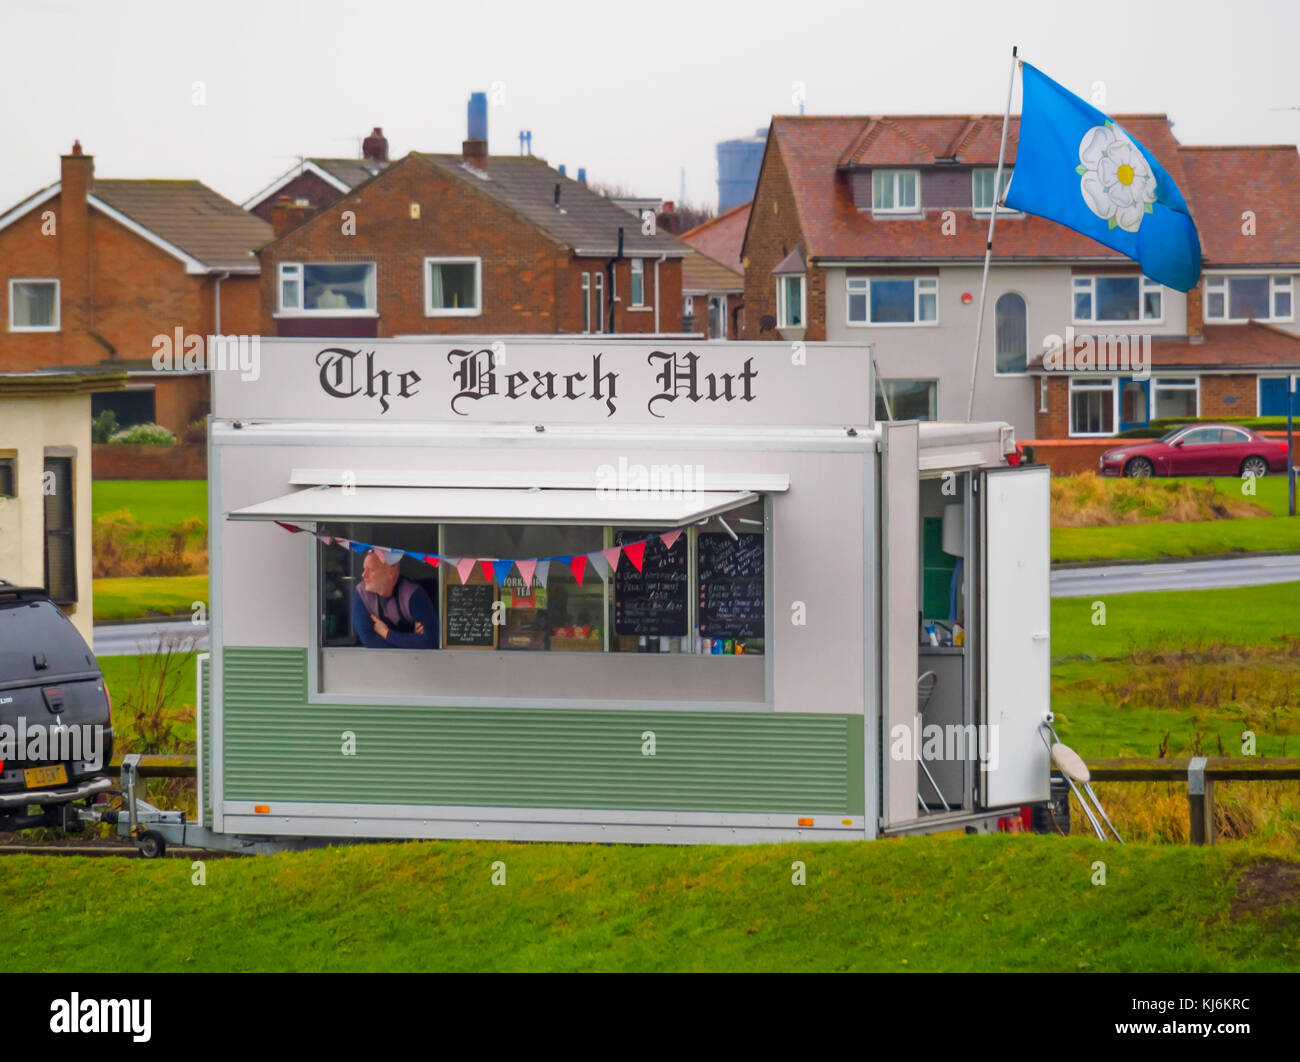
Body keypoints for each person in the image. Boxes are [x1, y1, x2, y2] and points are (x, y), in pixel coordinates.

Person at [352, 550, 438, 649]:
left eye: (371, 570)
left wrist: (386, 633)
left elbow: (431, 642)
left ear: (391, 572)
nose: (363, 575)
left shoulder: (412, 594)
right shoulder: (362, 593)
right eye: (364, 569)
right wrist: (411, 641)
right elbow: (370, 642)